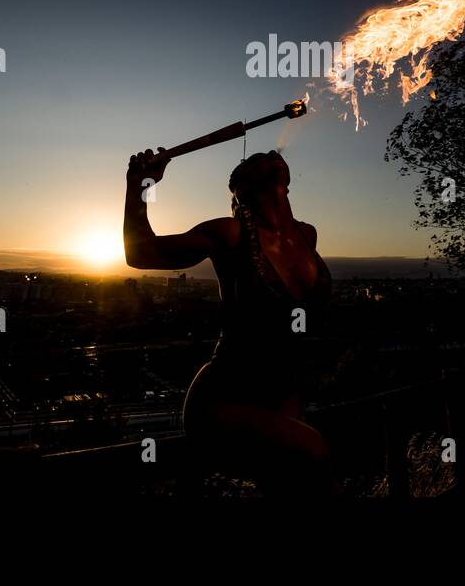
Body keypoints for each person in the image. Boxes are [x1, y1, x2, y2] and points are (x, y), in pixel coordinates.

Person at [124, 147, 335, 495]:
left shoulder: (307, 235)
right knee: (316, 455)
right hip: (223, 401)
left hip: (283, 397)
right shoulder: (229, 234)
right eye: (254, 161)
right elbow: (141, 252)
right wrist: (140, 183)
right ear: (241, 188)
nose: (269, 154)